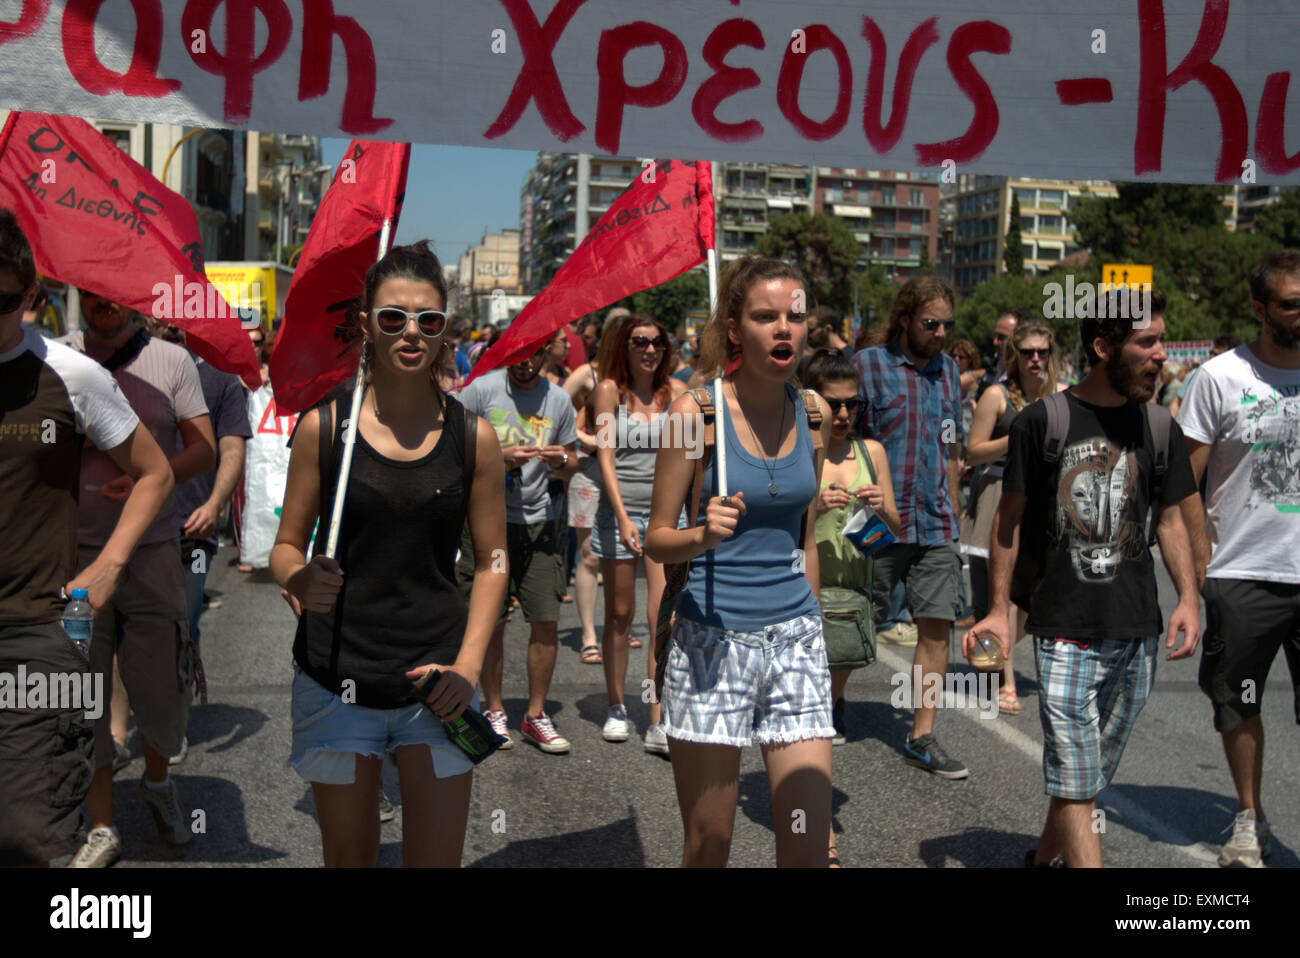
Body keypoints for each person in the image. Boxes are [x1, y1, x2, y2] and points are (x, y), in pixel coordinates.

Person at [272, 241, 507, 867]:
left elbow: (492, 563)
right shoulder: (324, 430)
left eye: (428, 320)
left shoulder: (473, 438)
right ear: (365, 326)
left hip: (439, 689)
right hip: (334, 681)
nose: (411, 333)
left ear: (444, 331)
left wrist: (468, 668)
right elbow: (285, 545)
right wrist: (297, 576)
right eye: (393, 318)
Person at [965, 289, 1201, 868]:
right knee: (1075, 775)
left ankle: (1041, 858)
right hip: (1064, 625)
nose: (1161, 355)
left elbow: (1170, 518)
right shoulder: (1043, 421)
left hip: (1135, 628)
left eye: (1161, 341)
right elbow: (1008, 520)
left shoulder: (1158, 425)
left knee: (1086, 772)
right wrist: (998, 609)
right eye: (1147, 342)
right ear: (1103, 347)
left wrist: (1190, 597)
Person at [644, 255, 834, 867]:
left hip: (796, 641)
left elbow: (806, 539)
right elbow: (653, 539)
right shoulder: (692, 414)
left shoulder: (814, 413)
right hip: (711, 641)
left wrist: (817, 620)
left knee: (806, 845)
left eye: (794, 317)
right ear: (734, 329)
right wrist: (702, 535)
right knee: (710, 845)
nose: (784, 329)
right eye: (764, 317)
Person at [0, 210, 173, 867]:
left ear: (31, 298)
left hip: (40, 630)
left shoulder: (70, 375)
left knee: (27, 835)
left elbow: (154, 472)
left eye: (3, 299)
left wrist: (107, 567)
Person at [61, 291, 216, 867]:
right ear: (77, 293)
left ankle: (156, 784)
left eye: (114, 294)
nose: (105, 304)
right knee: (82, 692)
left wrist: (152, 476)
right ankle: (102, 825)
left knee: (161, 687)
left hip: (153, 552)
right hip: (76, 555)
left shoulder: (170, 362)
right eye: (92, 293)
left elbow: (201, 451)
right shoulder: (58, 360)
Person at [1177, 250, 1300, 868]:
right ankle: (1250, 818)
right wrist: (1199, 574)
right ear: (1260, 309)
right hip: (1244, 573)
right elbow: (1184, 484)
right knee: (1241, 701)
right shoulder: (1220, 377)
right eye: (1291, 303)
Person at [854, 276, 969, 779]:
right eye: (931, 323)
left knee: (936, 624)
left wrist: (955, 499)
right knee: (855, 614)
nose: (941, 333)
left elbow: (950, 443)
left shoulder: (949, 372)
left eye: (947, 324)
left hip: (935, 520)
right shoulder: (868, 366)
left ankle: (922, 735)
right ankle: (827, 706)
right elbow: (844, 437)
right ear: (905, 319)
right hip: (875, 519)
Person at [458, 340, 578, 753]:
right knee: (491, 619)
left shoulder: (558, 399)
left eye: (534, 355)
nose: (525, 364)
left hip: (539, 522)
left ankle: (536, 714)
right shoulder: (480, 391)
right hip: (487, 520)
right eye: (518, 355)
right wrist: (501, 455)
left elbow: (574, 458)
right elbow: (454, 448)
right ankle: (493, 709)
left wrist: (561, 460)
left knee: (545, 618)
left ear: (546, 356)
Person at [806, 349, 900, 865]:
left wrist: (882, 509)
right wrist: (814, 506)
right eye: (833, 406)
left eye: (852, 406)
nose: (843, 416)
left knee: (833, 684)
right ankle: (819, 834)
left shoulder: (872, 453)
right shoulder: (798, 448)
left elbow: (894, 536)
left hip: (853, 594)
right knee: (812, 714)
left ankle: (832, 708)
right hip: (804, 597)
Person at [151, 321, 252, 763]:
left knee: (180, 624)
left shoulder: (219, 380)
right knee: (128, 631)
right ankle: (121, 722)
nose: (166, 324)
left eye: (176, 317)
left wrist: (214, 505)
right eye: (156, 314)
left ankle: (171, 724)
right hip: (133, 528)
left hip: (193, 532)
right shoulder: (124, 374)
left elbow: (232, 450)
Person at [589, 314, 687, 748]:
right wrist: (624, 516)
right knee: (620, 614)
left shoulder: (679, 394)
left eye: (657, 342)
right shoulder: (610, 392)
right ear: (625, 347)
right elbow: (605, 458)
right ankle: (616, 706)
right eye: (640, 341)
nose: (649, 349)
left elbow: (692, 454)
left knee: (660, 617)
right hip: (619, 515)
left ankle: (657, 716)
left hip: (666, 519)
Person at [959, 320, 1065, 713]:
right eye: (1027, 353)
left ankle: (988, 650)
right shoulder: (996, 396)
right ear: (1014, 357)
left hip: (1044, 496)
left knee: (1036, 594)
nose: (1035, 359)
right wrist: (1020, 434)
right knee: (1000, 594)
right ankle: (1005, 680)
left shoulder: (1062, 395)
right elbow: (973, 452)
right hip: (1000, 491)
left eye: (1042, 352)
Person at [563, 315, 628, 665]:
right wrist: (595, 442)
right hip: (590, 475)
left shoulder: (639, 381)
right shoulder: (588, 374)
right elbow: (559, 412)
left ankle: (621, 626)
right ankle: (589, 635)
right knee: (589, 557)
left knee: (623, 557)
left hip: (628, 476)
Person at [1169, 333, 1239, 420]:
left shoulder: (1239, 381)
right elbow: (1177, 403)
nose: (1211, 357)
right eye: (1211, 352)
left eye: (1216, 354)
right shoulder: (1196, 374)